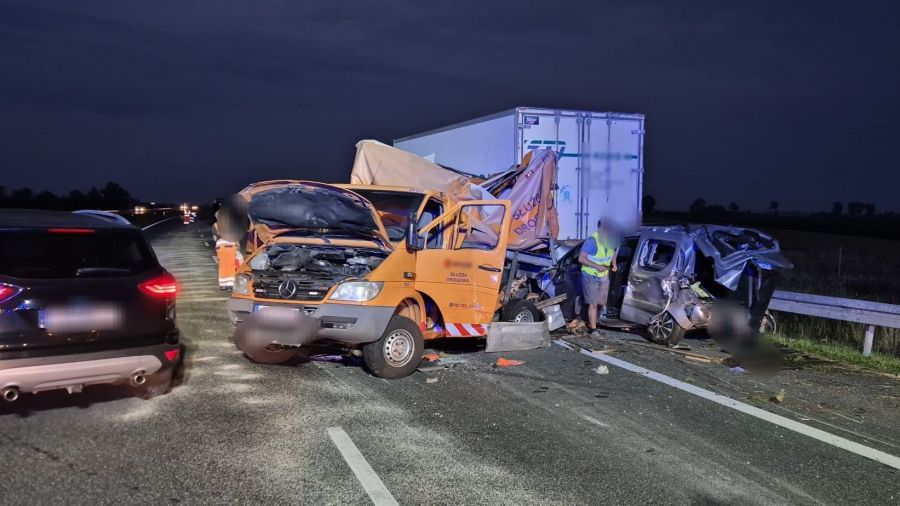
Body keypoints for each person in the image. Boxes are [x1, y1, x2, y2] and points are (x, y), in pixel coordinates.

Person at [578, 219, 618, 337]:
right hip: (590, 275)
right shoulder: (592, 241)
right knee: (593, 303)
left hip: (603, 275)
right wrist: (597, 266)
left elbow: (613, 252)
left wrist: (614, 263)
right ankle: (593, 330)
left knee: (601, 302)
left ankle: (594, 319)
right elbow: (581, 259)